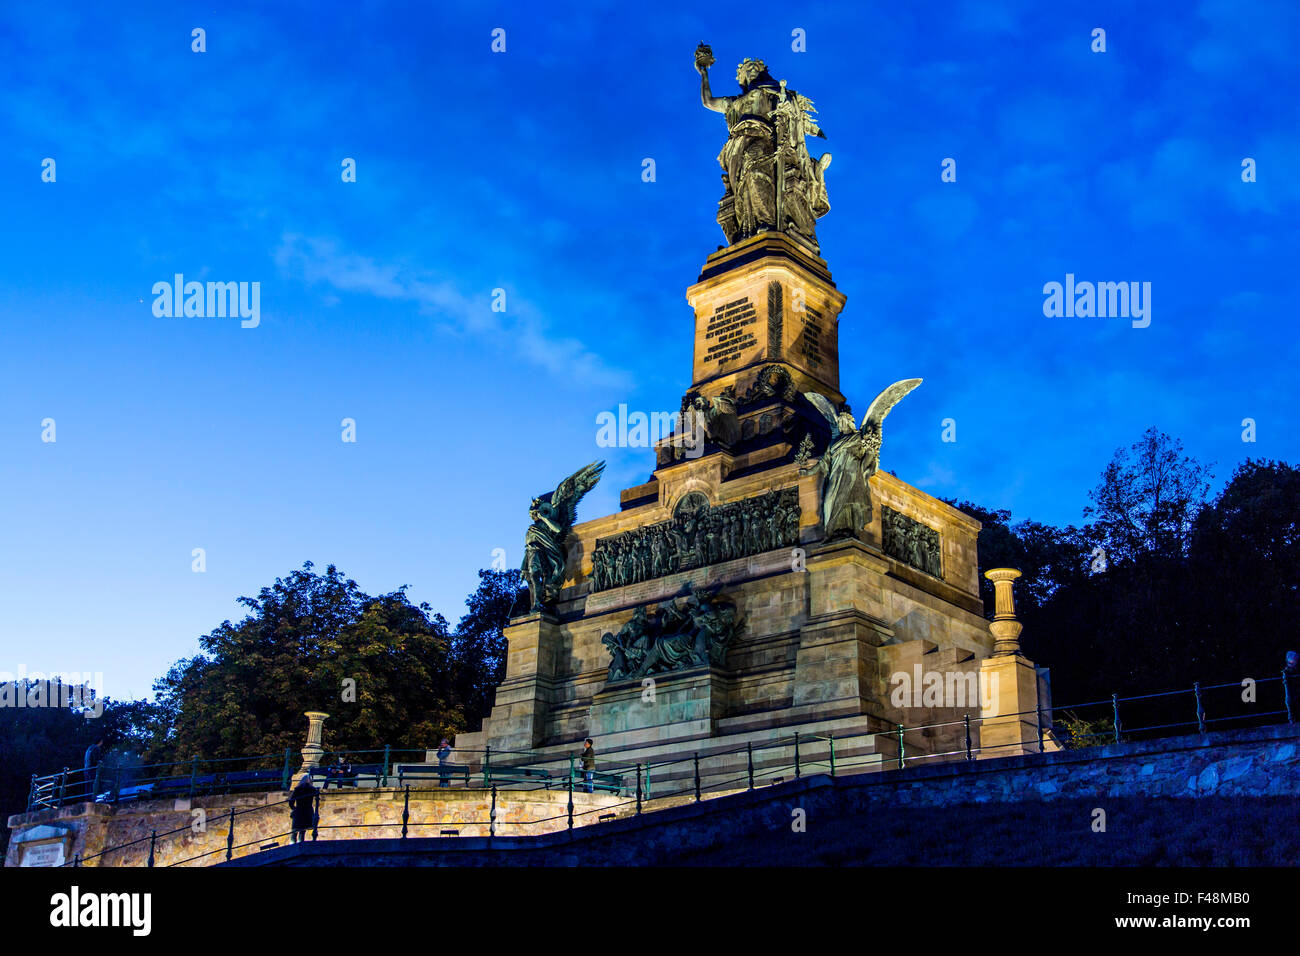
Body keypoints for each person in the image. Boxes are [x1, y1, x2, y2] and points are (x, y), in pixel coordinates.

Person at [288, 775, 318, 843]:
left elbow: (291, 802)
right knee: (302, 832)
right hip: (307, 811)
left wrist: (294, 809)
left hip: (299, 810)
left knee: (294, 831)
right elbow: (317, 797)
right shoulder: (312, 789)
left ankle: (293, 846)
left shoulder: (298, 789)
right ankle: (301, 845)